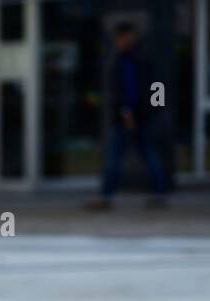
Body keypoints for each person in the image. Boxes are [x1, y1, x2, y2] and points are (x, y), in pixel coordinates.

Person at [87, 22, 167, 209]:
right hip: (134, 116)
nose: (121, 41)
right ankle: (157, 193)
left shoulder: (130, 60)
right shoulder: (128, 59)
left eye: (124, 37)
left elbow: (134, 90)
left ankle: (107, 196)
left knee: (121, 157)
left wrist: (130, 112)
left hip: (131, 117)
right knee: (143, 155)